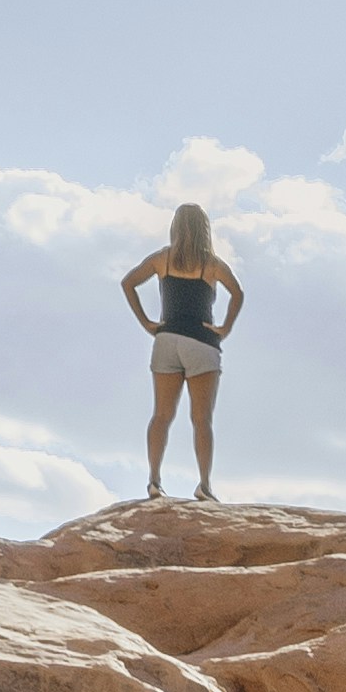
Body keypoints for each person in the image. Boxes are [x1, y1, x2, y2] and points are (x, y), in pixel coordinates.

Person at [121, 199, 243, 499]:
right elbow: (237, 293)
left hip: (166, 340)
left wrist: (147, 323)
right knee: (201, 419)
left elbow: (128, 283)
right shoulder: (210, 264)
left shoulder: (162, 258)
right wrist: (225, 327)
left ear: (175, 227)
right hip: (201, 343)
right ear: (205, 230)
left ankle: (153, 480)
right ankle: (204, 485)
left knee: (161, 415)